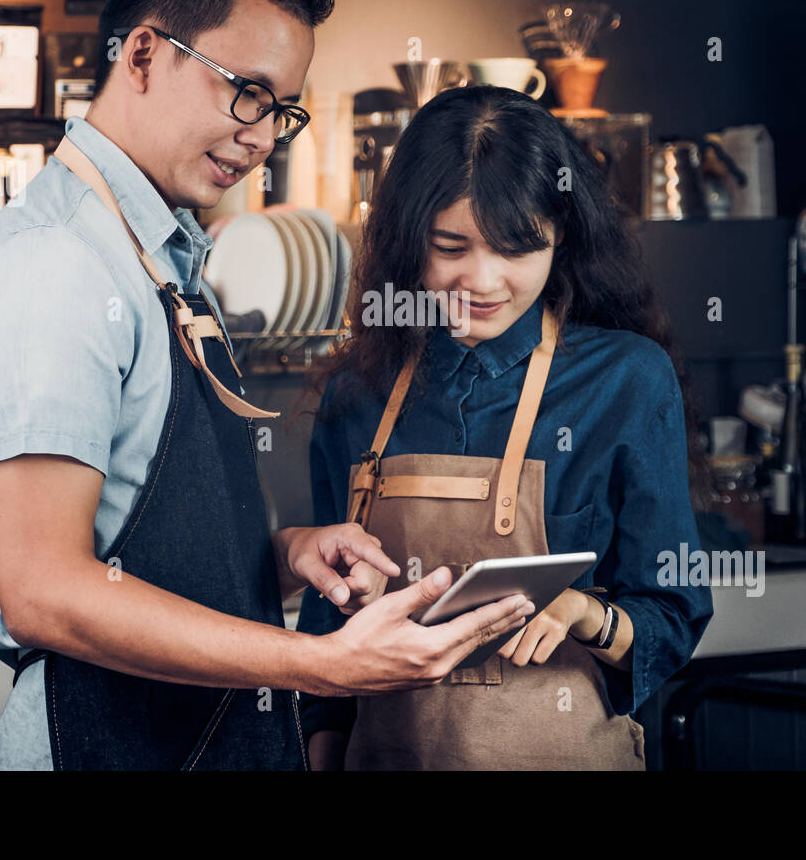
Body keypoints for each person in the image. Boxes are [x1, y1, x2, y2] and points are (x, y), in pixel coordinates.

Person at [0, 0, 531, 771]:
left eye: (282, 111)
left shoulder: (161, 256)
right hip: (101, 743)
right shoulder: (55, 264)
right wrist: (324, 664)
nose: (262, 138)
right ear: (142, 55)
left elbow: (145, 540)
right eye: (246, 93)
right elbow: (44, 593)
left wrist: (283, 555)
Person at [297, 84, 715, 770]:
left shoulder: (626, 381)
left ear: (561, 237)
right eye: (451, 246)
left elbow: (672, 616)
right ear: (408, 241)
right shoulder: (356, 394)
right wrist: (320, 753)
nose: (482, 280)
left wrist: (585, 614)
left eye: (516, 248)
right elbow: (325, 629)